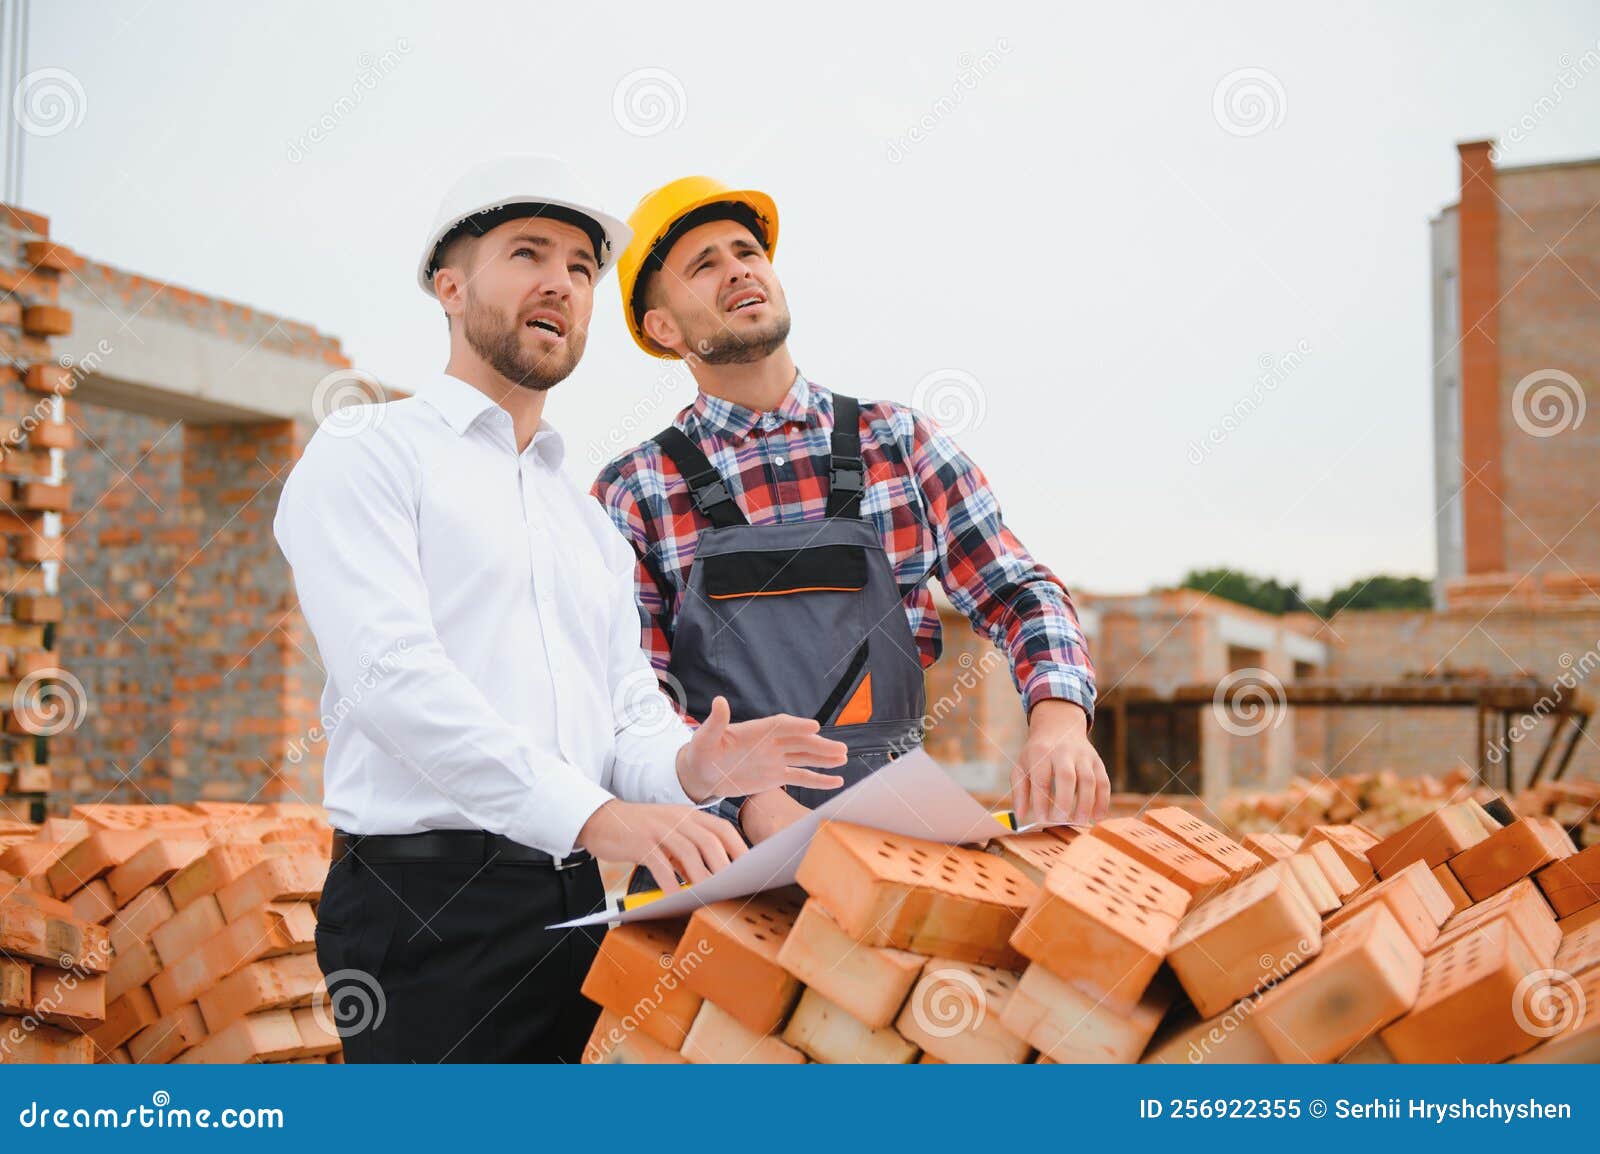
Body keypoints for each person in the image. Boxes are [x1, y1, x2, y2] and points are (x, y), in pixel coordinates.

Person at [272, 157, 845, 1063]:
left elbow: (624, 718)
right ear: (449, 286)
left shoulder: (586, 520)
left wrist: (694, 765)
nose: (561, 283)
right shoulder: (368, 455)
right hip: (427, 912)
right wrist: (597, 818)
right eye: (527, 254)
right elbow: (394, 680)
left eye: (580, 267)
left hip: (577, 900)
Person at [592, 176, 1106, 852]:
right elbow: (633, 699)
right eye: (703, 265)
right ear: (662, 327)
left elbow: (1019, 592)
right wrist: (746, 802)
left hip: (892, 844)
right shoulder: (636, 489)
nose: (738, 269)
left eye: (747, 251)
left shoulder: (895, 442)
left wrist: (1060, 719)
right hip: (718, 863)